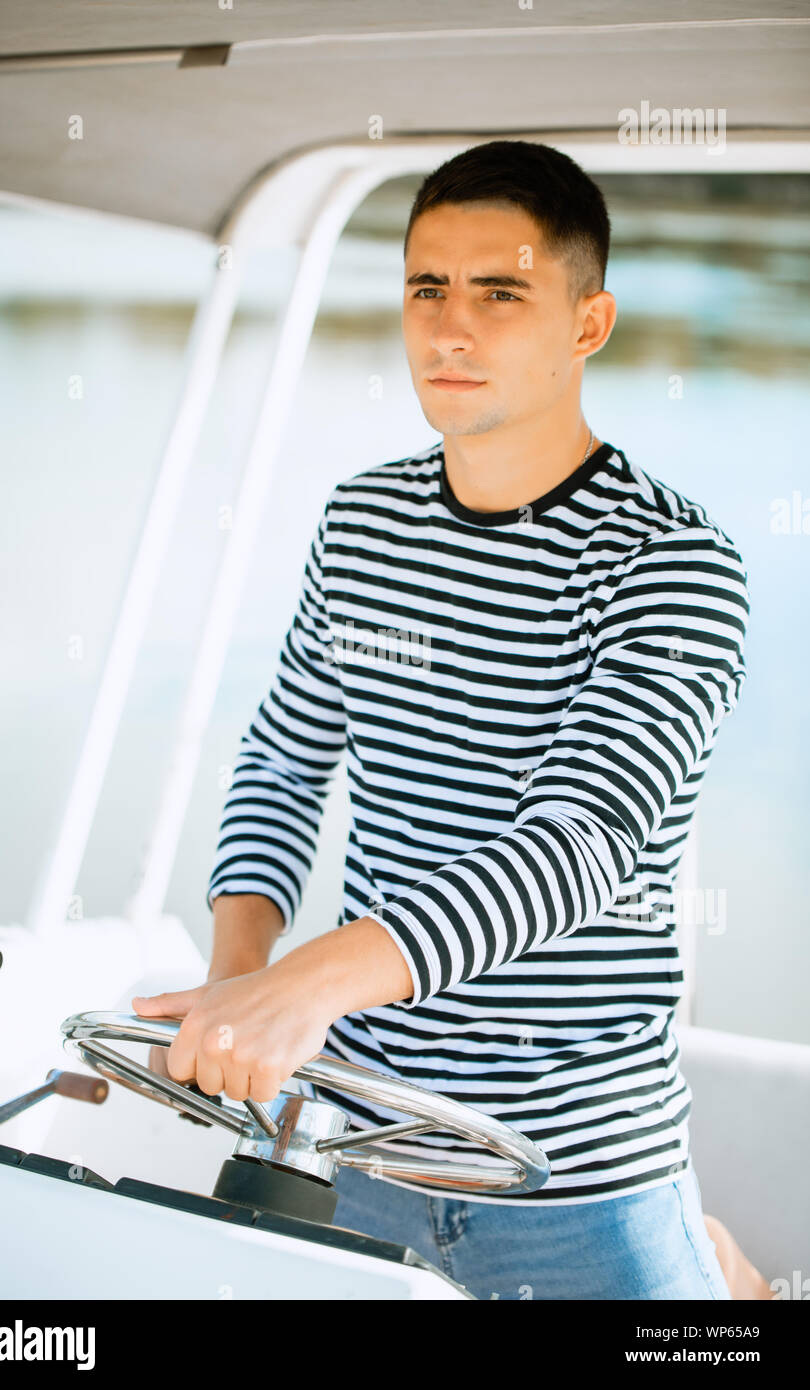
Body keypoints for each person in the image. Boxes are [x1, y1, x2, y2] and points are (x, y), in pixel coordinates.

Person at [134, 139, 751, 1300]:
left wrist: (305, 985)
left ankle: (727, 1277)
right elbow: (283, 752)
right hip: (354, 1144)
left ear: (587, 322)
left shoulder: (673, 563)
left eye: (500, 292)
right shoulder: (361, 520)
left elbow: (577, 846)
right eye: (427, 288)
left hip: (579, 1183)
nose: (448, 328)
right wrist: (239, 971)